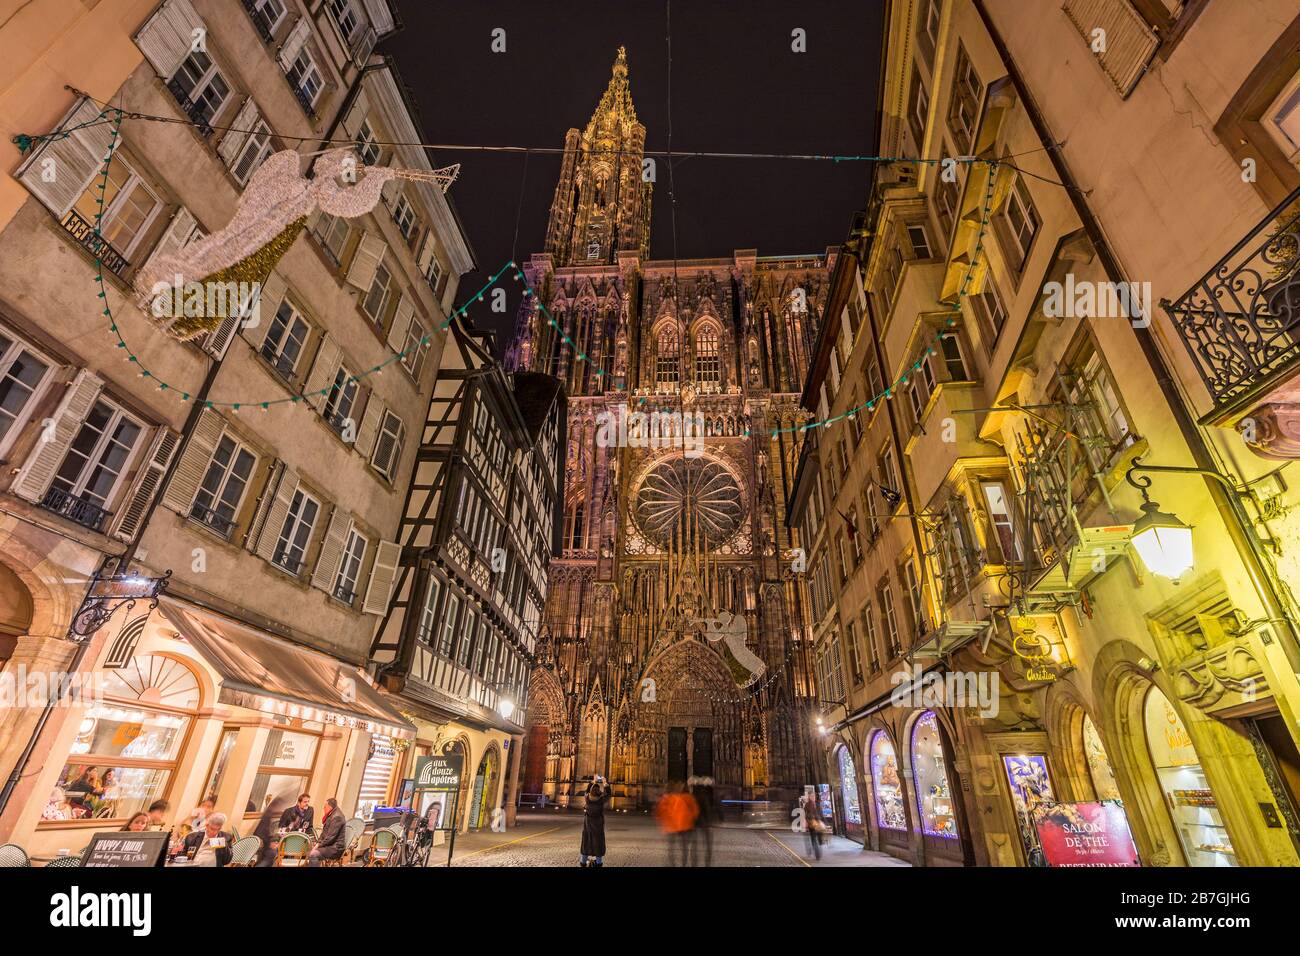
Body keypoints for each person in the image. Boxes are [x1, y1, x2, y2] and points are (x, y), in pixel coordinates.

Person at [655, 781, 699, 866]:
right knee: (684, 847)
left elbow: (661, 812)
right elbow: (695, 811)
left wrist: (663, 821)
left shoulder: (671, 797)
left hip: (672, 826)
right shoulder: (686, 797)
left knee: (671, 848)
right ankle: (683, 864)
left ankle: (673, 864)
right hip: (684, 826)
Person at [579, 777, 609, 868]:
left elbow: (586, 791)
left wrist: (592, 782)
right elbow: (608, 794)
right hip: (598, 827)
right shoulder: (601, 800)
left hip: (588, 827)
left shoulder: (587, 798)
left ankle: (583, 863)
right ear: (599, 791)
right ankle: (599, 863)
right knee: (598, 845)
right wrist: (605, 783)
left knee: (586, 844)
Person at [689, 776, 718, 867]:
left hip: (697, 823)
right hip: (706, 823)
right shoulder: (709, 795)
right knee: (707, 846)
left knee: (695, 845)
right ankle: (707, 863)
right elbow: (712, 808)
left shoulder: (695, 795)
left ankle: (695, 863)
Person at [309, 798, 347, 866]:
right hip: (330, 845)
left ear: (329, 807)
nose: (323, 808)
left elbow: (330, 837)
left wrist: (318, 845)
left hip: (336, 848)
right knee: (309, 850)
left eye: (325, 806)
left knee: (313, 854)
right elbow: (324, 833)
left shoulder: (337, 817)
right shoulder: (332, 814)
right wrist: (318, 842)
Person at [800, 792, 823, 861]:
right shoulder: (807, 805)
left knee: (818, 839)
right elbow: (805, 815)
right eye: (811, 796)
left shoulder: (817, 804)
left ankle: (817, 851)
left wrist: (821, 821)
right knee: (814, 839)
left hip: (818, 824)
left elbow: (821, 814)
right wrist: (806, 823)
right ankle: (817, 854)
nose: (813, 797)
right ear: (809, 797)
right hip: (811, 824)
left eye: (814, 796)